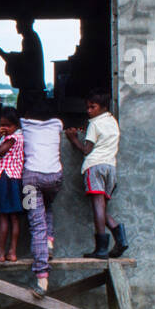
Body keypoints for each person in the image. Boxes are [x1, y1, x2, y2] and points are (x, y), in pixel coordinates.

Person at [64, 92, 127, 259]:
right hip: (110, 167)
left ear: (103, 107)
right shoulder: (112, 121)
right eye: (88, 107)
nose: (89, 110)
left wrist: (73, 139)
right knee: (101, 207)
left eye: (93, 107)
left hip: (95, 166)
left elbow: (86, 150)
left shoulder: (94, 124)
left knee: (97, 207)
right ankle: (120, 239)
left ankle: (101, 249)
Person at [20, 96, 65, 294]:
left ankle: (41, 280)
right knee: (48, 204)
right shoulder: (57, 124)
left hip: (30, 180)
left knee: (35, 224)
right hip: (54, 178)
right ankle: (49, 241)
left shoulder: (24, 124)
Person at [0, 107, 25, 263]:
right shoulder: (20, 137)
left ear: (16, 125)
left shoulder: (13, 138)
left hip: (5, 179)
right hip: (15, 179)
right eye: (1, 125)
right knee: (14, 218)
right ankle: (12, 252)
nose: (4, 129)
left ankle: (0, 253)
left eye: (7, 125)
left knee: (4, 217)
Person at [0, 15, 45, 117]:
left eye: (18, 23)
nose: (17, 26)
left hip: (31, 92)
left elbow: (23, 61)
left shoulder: (30, 39)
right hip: (32, 91)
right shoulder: (31, 38)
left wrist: (2, 53)